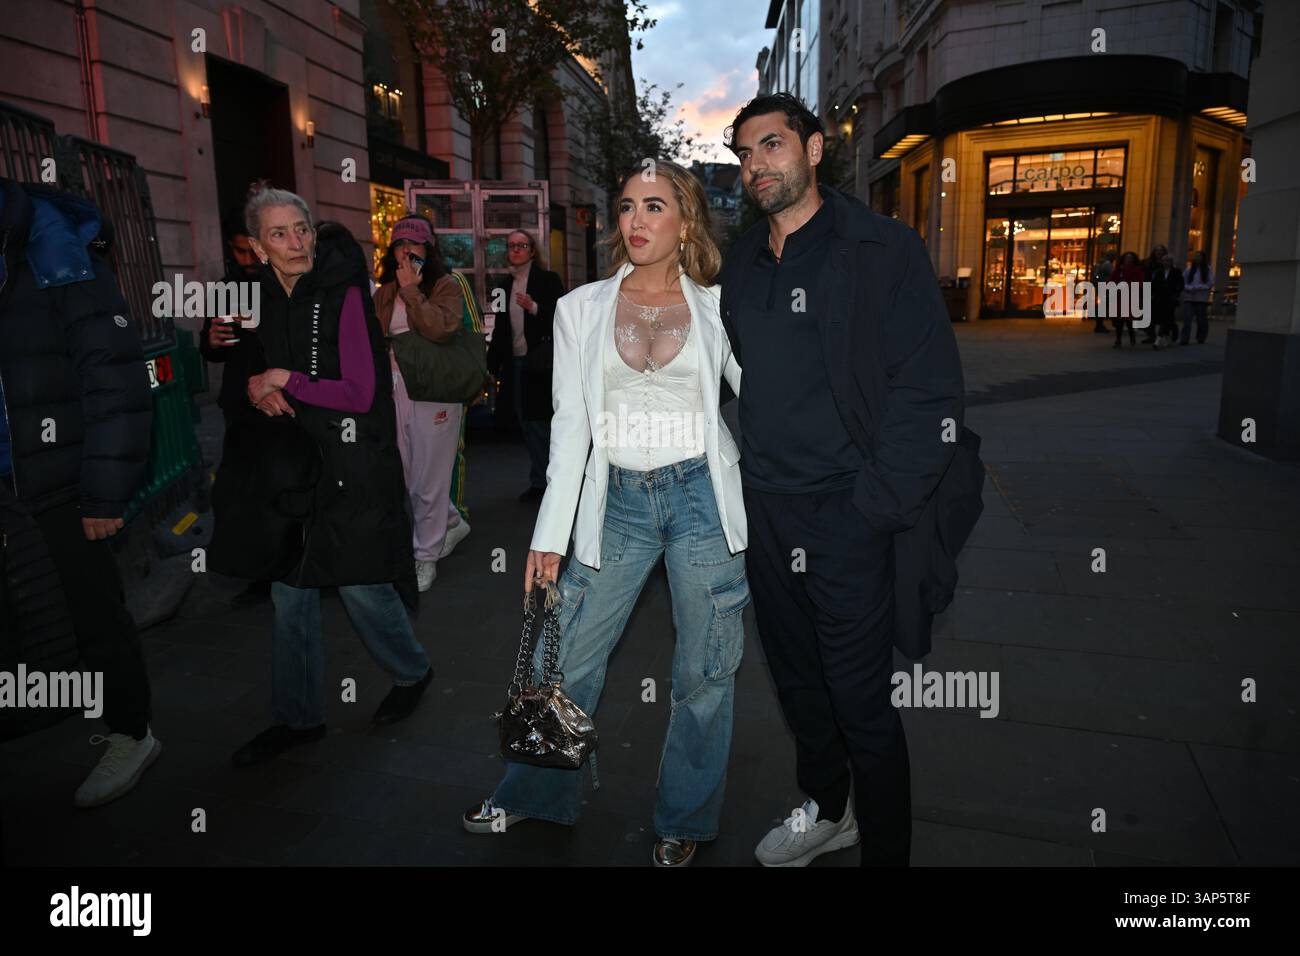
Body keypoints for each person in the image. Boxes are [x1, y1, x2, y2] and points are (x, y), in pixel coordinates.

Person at [462, 160, 749, 868]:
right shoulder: (582, 308)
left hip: (702, 500)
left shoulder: (719, 307)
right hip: (615, 499)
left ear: (685, 221)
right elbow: (568, 428)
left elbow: (769, 398)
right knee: (563, 657)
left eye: (654, 206)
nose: (636, 221)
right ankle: (537, 795)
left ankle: (685, 814)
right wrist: (548, 535)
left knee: (705, 673)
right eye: (627, 207)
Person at [720, 93, 965, 867]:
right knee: (798, 685)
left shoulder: (882, 249)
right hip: (766, 514)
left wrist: (872, 509)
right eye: (745, 153)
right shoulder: (739, 262)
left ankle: (886, 850)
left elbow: (929, 392)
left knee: (861, 701)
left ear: (815, 148)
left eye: (772, 145)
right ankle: (829, 809)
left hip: (848, 517)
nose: (757, 164)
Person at [227, 184, 432, 766]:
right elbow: (246, 371)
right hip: (292, 471)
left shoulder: (342, 296)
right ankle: (298, 717)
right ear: (257, 247)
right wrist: (255, 388)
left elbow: (359, 392)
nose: (296, 242)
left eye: (302, 228)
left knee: (361, 586)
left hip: (351, 467)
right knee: (289, 594)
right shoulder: (257, 298)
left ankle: (413, 670)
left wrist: (285, 381)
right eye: (279, 234)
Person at [0, 176, 159, 808]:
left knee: (92, 609)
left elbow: (114, 374)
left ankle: (130, 732)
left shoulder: (51, 244)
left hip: (56, 474)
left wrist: (102, 493)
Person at [374, 215, 473, 591]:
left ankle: (425, 557)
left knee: (428, 479)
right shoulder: (383, 293)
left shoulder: (444, 286)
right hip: (396, 388)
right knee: (408, 473)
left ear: (428, 250)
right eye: (401, 245)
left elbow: (440, 329)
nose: (407, 251)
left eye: (415, 245)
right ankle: (450, 521)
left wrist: (413, 292)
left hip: (435, 391)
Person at [199, 213, 269, 609]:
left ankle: (290, 567)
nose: (246, 257)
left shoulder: (282, 285)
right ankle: (257, 574)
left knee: (281, 488)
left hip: (282, 402)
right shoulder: (226, 289)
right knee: (243, 493)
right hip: (239, 406)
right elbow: (210, 348)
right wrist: (211, 339)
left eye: (251, 249)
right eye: (238, 250)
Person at [486, 229, 566, 502]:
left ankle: (547, 481)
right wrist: (491, 366)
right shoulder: (502, 286)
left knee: (541, 422)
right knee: (525, 420)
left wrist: (534, 308)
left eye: (521, 245)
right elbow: (499, 328)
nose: (515, 250)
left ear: (533, 250)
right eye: (511, 246)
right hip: (515, 362)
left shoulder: (547, 280)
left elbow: (562, 317)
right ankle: (540, 479)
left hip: (540, 364)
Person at [1111, 251, 1145, 348]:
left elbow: (1140, 282)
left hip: (1130, 297)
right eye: (1126, 258)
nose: (1128, 260)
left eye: (1130, 258)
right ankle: (1118, 340)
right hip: (1119, 297)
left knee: (1129, 320)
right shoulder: (1118, 270)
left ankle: (1132, 336)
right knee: (1119, 321)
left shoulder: (1137, 270)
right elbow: (1111, 280)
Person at [1150, 252, 1184, 349]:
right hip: (1159, 298)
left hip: (1170, 299)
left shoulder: (1176, 271)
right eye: (1164, 261)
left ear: (1171, 262)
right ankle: (1168, 335)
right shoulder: (1158, 272)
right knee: (1164, 319)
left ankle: (1159, 339)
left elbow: (1180, 284)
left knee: (1166, 317)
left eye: (1168, 261)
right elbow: (1154, 284)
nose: (1166, 263)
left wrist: (1176, 294)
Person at [1181, 250, 1214, 345]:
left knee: (1201, 319)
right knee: (1187, 319)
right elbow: (1183, 281)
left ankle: (1201, 337)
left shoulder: (1207, 270)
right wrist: (1189, 288)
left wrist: (1199, 287)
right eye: (1196, 256)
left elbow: (1210, 283)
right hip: (1189, 297)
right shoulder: (1189, 269)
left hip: (1201, 298)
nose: (1197, 258)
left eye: (1199, 256)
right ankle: (1184, 338)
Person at [1139, 244, 1168, 344]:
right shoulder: (1147, 263)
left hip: (1160, 292)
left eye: (1161, 251)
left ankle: (1163, 333)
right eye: (1157, 250)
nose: (1159, 252)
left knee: (1158, 314)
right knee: (1143, 313)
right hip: (1146, 289)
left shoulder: (1166, 264)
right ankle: (1151, 334)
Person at [1091, 251, 1116, 333]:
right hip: (1105, 287)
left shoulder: (1099, 264)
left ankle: (1099, 325)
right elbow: (1113, 274)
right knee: (1103, 306)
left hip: (1100, 286)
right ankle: (1100, 325)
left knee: (1101, 306)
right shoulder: (1108, 264)